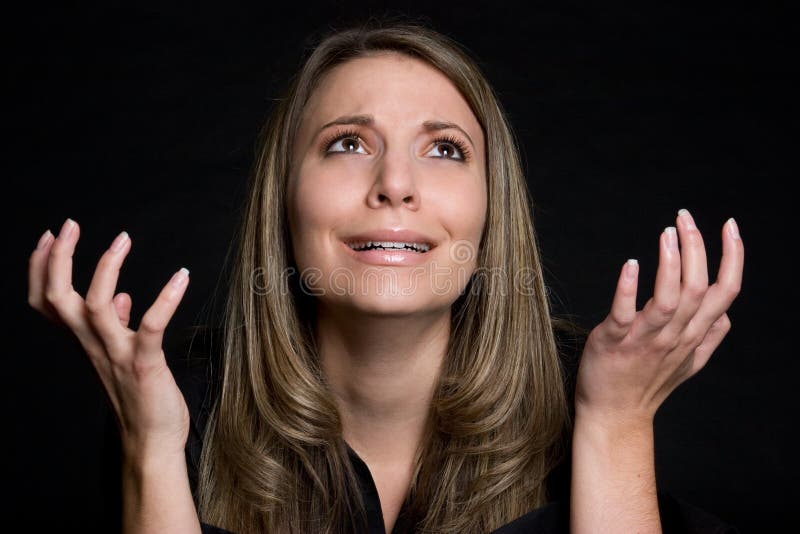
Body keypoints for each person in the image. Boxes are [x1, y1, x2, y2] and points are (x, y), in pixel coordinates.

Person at [26, 21, 744, 534]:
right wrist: (151, 448)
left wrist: (616, 426)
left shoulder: (595, 391)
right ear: (283, 201)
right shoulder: (178, 404)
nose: (395, 184)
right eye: (347, 144)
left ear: (491, 210)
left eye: (444, 149)